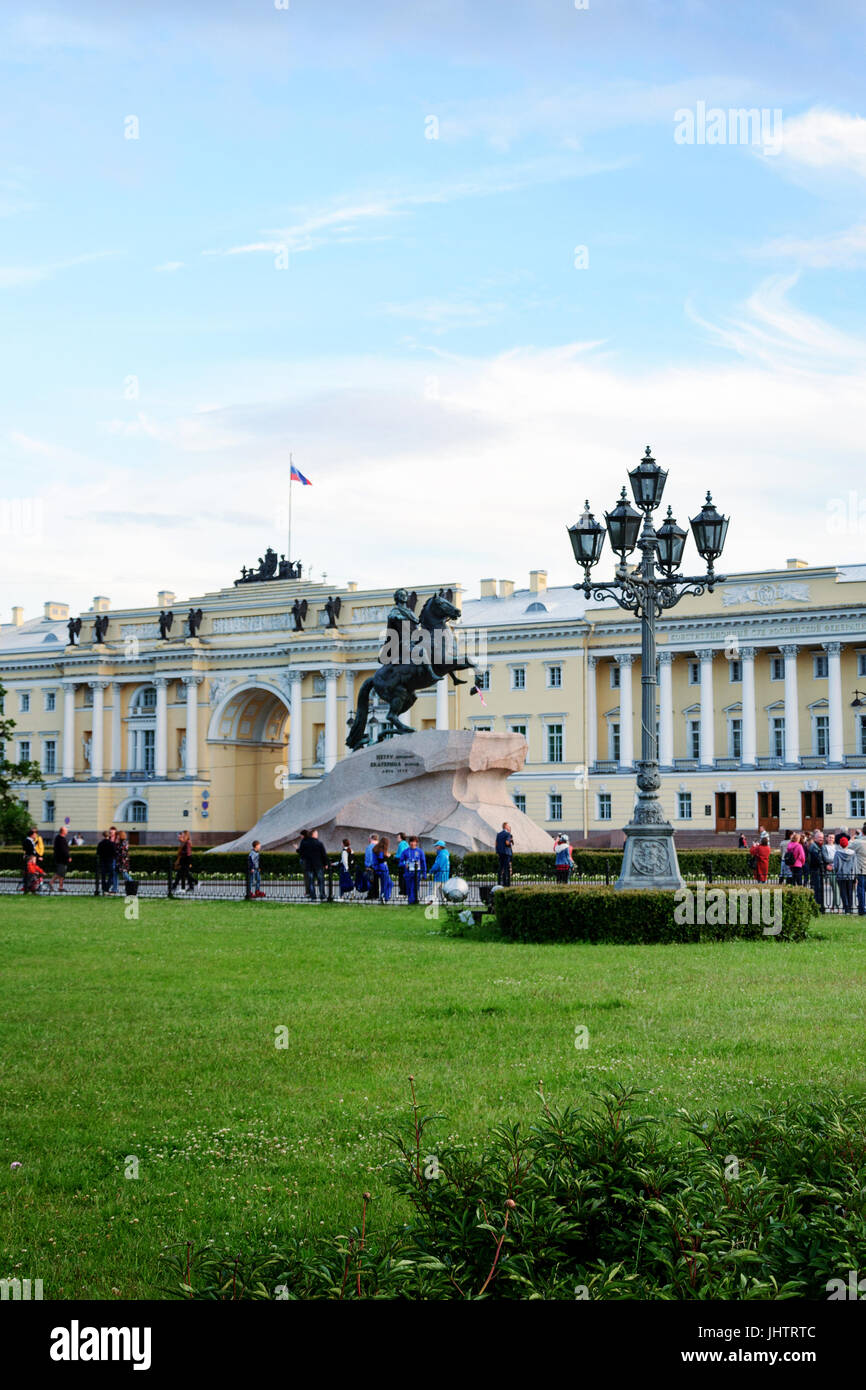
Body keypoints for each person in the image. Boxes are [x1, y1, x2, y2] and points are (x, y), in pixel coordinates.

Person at [298, 829, 327, 900]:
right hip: (318, 865)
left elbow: (301, 854)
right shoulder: (319, 843)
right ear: (313, 834)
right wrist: (325, 864)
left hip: (309, 865)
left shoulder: (304, 843)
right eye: (316, 833)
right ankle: (322, 895)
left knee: (311, 882)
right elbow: (323, 854)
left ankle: (313, 896)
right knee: (321, 881)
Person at [400, 836, 427, 904]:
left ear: (416, 843)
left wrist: (424, 873)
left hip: (417, 873)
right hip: (408, 873)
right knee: (409, 888)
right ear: (409, 843)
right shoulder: (405, 851)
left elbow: (423, 862)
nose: (412, 843)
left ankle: (413, 901)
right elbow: (400, 862)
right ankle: (411, 901)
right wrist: (404, 864)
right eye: (411, 842)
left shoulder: (420, 851)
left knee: (415, 887)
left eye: (414, 842)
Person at [835, 835, 855, 914]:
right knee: (849, 891)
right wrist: (854, 875)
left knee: (843, 891)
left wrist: (836, 871)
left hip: (841, 875)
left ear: (840, 844)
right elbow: (854, 864)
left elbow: (836, 865)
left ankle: (846, 907)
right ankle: (850, 907)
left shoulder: (837, 853)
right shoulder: (853, 853)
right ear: (848, 844)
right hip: (850, 875)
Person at [807, 829, 826, 913]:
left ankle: (820, 906)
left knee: (819, 889)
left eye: (822, 837)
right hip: (815, 871)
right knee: (817, 890)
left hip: (818, 871)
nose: (821, 839)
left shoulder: (819, 846)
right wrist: (825, 865)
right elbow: (818, 859)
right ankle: (818, 907)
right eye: (819, 837)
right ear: (815, 838)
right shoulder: (814, 847)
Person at [849, 826, 866, 915]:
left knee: (861, 891)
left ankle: (862, 909)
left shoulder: (858, 842)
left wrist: (853, 838)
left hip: (861, 869)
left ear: (862, 832)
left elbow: (848, 846)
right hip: (862, 869)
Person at [50, 825, 71, 892]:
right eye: (66, 830)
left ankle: (60, 887)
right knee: (60, 872)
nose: (67, 831)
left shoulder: (60, 838)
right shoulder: (60, 839)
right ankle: (51, 882)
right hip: (61, 859)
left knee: (62, 873)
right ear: (63, 831)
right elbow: (63, 850)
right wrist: (68, 856)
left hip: (61, 858)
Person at [823, 833, 841, 912]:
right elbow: (826, 858)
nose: (831, 839)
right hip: (830, 869)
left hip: (837, 869)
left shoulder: (837, 847)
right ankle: (838, 906)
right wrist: (834, 860)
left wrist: (834, 861)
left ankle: (833, 907)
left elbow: (839, 857)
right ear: (826, 838)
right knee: (835, 888)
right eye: (829, 837)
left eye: (832, 838)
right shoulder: (824, 847)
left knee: (837, 888)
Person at [373, 836, 393, 903]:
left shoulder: (376, 849)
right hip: (383, 869)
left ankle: (385, 897)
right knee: (386, 884)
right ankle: (384, 896)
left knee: (387, 883)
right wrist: (387, 856)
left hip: (378, 869)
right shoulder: (381, 851)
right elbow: (381, 859)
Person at [495, 822, 514, 886]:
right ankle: (506, 884)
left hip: (500, 853)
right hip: (506, 853)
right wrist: (510, 841)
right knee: (506, 869)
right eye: (508, 826)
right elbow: (507, 843)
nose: (509, 827)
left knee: (500, 868)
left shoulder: (499, 834)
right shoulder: (507, 834)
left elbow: (496, 844)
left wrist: (498, 851)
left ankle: (499, 883)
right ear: (505, 827)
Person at [364, 833, 380, 900]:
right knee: (376, 881)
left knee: (371, 881)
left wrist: (368, 866)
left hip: (371, 866)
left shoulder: (370, 847)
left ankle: (371, 895)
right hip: (378, 866)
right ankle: (376, 895)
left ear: (371, 839)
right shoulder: (379, 846)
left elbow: (369, 857)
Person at [22, 827, 37, 892]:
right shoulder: (27, 841)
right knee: (30, 872)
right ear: (32, 835)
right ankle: (28, 887)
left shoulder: (31, 841)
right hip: (30, 857)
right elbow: (30, 850)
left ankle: (31, 886)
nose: (35, 835)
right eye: (35, 834)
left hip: (31, 857)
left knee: (32, 872)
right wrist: (34, 854)